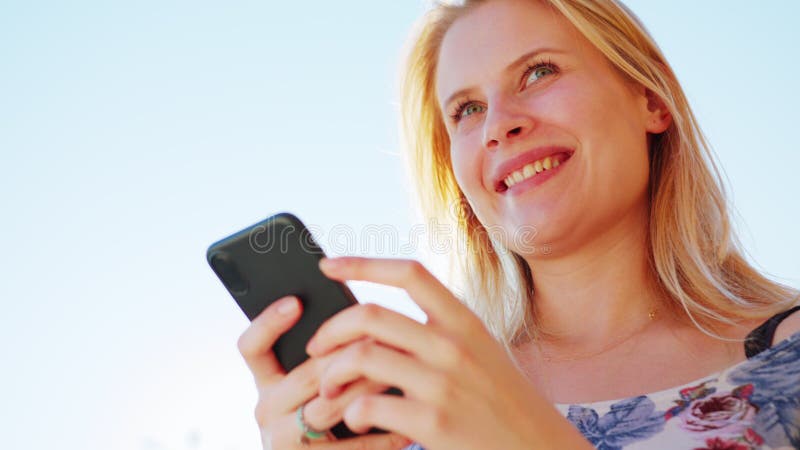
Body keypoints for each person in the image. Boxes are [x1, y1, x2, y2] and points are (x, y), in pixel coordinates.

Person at [236, 0, 800, 448]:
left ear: (649, 99)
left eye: (538, 72)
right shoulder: (413, 403)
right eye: (467, 110)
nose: (498, 127)